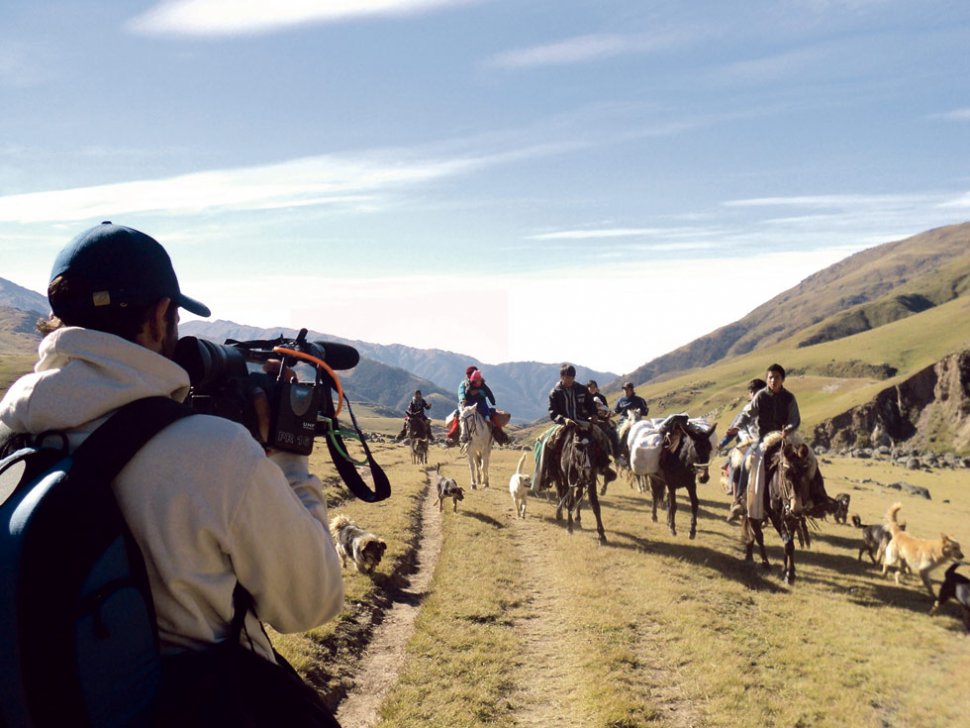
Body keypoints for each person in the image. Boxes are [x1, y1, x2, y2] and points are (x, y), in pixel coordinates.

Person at [0, 222, 344, 720]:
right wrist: (288, 460)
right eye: (178, 317)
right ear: (160, 316)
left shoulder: (12, 435)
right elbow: (313, 601)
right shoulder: (214, 452)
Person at [723, 364, 801, 521]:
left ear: (783, 379)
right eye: (770, 377)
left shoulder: (789, 398)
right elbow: (747, 414)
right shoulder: (760, 396)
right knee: (746, 460)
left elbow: (795, 419)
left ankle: (814, 498)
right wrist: (737, 426)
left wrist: (789, 429)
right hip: (762, 440)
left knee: (805, 459)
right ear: (767, 379)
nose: (773, 380)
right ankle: (739, 500)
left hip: (783, 438)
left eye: (776, 377)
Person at [549, 364, 616, 482]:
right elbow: (553, 413)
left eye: (572, 377)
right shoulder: (555, 392)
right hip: (563, 424)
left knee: (601, 435)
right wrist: (564, 420)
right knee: (549, 443)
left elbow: (590, 405)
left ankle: (603, 466)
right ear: (561, 377)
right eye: (567, 377)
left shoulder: (582, 389)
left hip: (581, 422)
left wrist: (594, 415)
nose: (569, 380)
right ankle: (548, 471)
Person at [588, 380, 624, 468]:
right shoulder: (586, 398)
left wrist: (606, 417)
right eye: (590, 387)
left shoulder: (602, 397)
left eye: (594, 387)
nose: (592, 389)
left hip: (603, 420)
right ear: (587, 388)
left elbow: (606, 410)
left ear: (596, 388)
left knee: (613, 434)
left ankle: (617, 456)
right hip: (589, 421)